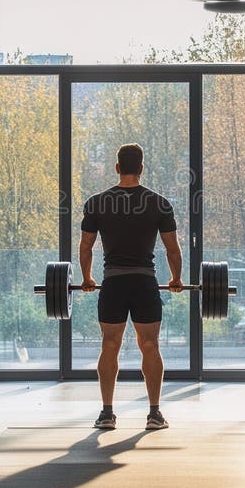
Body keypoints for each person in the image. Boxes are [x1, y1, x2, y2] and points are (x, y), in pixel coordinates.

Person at [80, 143, 183, 431]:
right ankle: (154, 414)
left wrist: (87, 278)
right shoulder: (159, 203)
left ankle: (107, 414)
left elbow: (86, 246)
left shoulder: (97, 202)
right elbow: (172, 249)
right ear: (141, 168)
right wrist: (176, 278)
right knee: (150, 345)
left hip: (113, 283)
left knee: (109, 345)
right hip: (144, 283)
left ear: (117, 167)